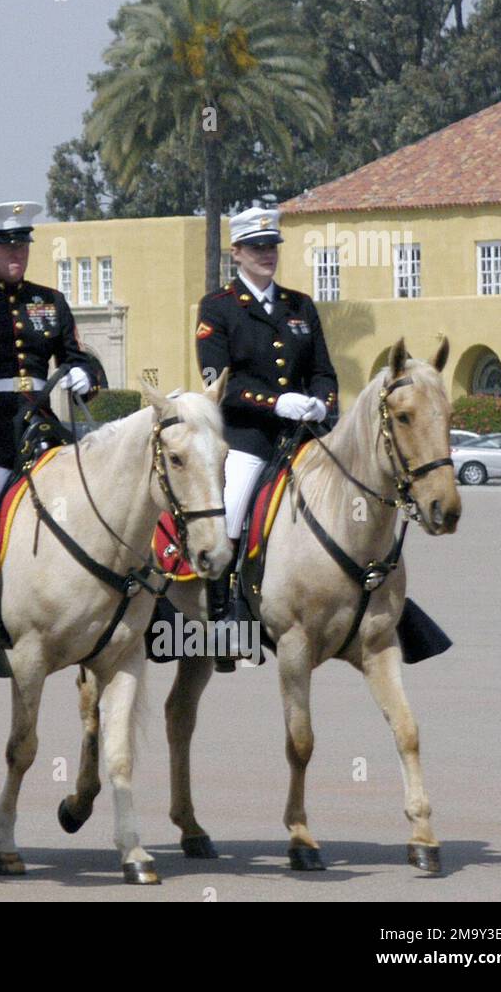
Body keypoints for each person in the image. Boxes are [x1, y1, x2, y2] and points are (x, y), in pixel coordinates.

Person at [0, 200, 101, 681]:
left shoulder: (50, 300)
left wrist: (82, 375)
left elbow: (80, 357)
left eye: (22, 244)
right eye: (5, 244)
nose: (16, 253)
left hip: (43, 426)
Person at [195, 204, 338, 670]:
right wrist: (275, 402)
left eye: (271, 246)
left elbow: (323, 371)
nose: (266, 255)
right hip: (248, 437)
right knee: (230, 514)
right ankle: (226, 618)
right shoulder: (218, 308)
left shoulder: (300, 306)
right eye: (257, 247)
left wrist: (321, 402)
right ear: (236, 252)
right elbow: (219, 380)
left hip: (304, 436)